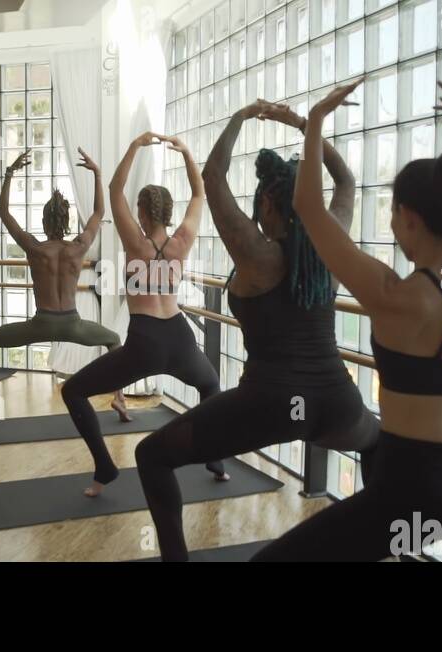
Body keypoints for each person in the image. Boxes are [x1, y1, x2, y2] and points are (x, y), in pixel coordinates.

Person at [252, 76, 442, 561]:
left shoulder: (391, 295)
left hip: (409, 489)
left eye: (395, 211)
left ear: (410, 218)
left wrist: (314, 121)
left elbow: (309, 208)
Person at [134, 100, 380, 561]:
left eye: (260, 202)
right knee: (380, 443)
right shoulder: (331, 243)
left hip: (269, 406)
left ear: (267, 201)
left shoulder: (257, 253)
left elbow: (212, 177)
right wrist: (306, 127)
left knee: (151, 456)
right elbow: (346, 180)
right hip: (336, 404)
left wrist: (243, 115)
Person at [61, 132, 229, 498]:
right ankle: (215, 459)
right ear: (167, 213)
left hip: (146, 342)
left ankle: (105, 468)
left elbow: (114, 188)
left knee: (73, 392)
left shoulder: (134, 242)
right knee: (210, 386)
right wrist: (186, 153)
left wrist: (135, 145)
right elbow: (199, 194)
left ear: (141, 211)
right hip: (180, 337)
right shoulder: (182, 241)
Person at [0, 147, 127, 433]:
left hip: (40, 324)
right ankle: (120, 400)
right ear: (66, 223)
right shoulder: (78, 247)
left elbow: (2, 212)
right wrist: (98, 173)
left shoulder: (34, 247)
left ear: (44, 222)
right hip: (72, 324)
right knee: (114, 340)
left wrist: (10, 173)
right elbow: (100, 212)